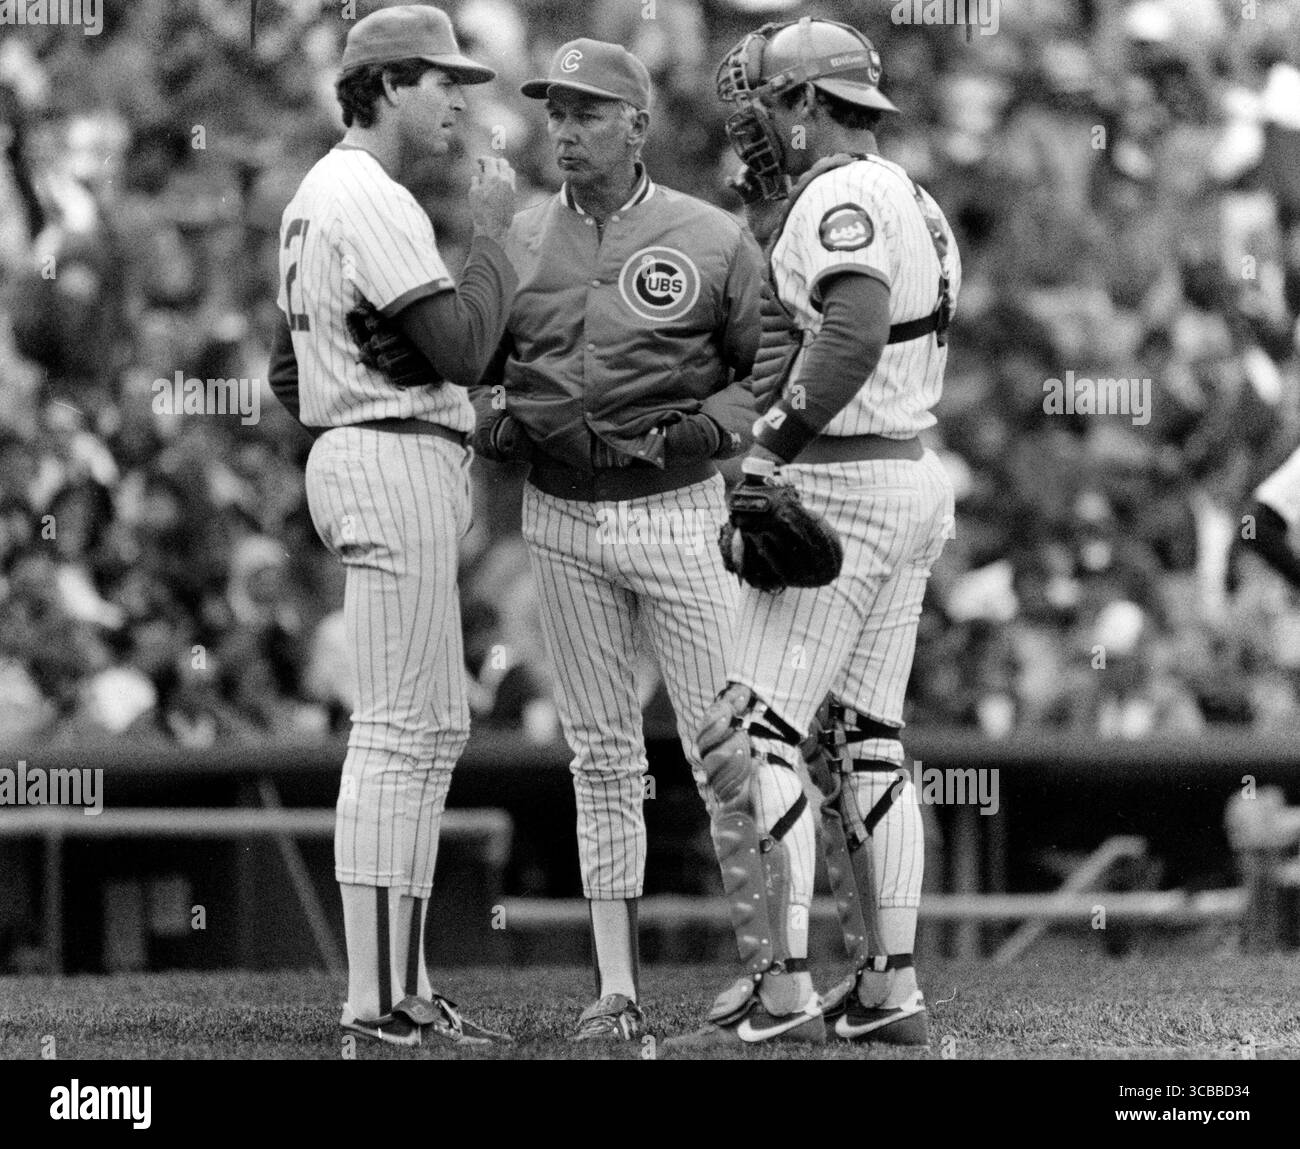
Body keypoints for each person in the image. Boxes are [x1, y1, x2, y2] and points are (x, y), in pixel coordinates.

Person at [666, 16, 962, 1049]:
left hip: (842, 483)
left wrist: (770, 449)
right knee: (864, 743)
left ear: (807, 104)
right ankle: (888, 991)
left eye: (764, 105)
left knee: (754, 735)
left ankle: (782, 994)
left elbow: (854, 327)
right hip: (906, 477)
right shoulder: (904, 194)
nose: (751, 127)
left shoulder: (841, 194)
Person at [471, 39, 763, 1041]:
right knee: (599, 757)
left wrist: (709, 429)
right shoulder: (510, 234)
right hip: (559, 510)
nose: (565, 128)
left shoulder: (710, 235)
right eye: (556, 111)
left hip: (680, 507)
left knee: (729, 744)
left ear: (636, 122)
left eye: (588, 111)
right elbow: (474, 367)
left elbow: (761, 370)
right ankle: (616, 989)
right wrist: (492, 417)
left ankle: (774, 975)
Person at [267, 4, 517, 1048]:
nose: (459, 97)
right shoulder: (365, 192)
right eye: (439, 79)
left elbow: (289, 371)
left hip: (371, 444)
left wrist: (361, 376)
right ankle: (374, 1000)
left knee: (430, 728)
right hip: (388, 453)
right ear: (383, 84)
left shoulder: (329, 195)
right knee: (398, 730)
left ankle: (400, 988)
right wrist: (496, 229)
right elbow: (464, 346)